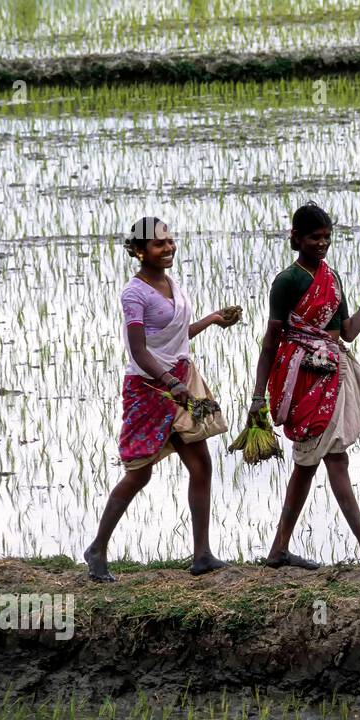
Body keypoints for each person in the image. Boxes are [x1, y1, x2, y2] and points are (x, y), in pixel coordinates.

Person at [248, 203, 360, 569]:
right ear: (296, 238)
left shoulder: (331, 278)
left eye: (327, 237)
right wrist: (258, 395)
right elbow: (271, 341)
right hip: (305, 377)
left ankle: (278, 551)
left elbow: (347, 331)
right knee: (333, 457)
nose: (322, 243)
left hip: (332, 371)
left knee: (308, 466)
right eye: (314, 237)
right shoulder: (287, 281)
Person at [83, 217, 239, 582]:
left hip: (181, 382)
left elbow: (176, 334)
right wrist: (168, 381)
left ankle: (202, 555)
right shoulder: (133, 293)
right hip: (150, 389)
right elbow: (138, 350)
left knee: (201, 464)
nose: (168, 248)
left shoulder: (171, 282)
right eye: (158, 244)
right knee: (139, 474)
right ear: (139, 251)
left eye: (170, 241)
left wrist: (212, 320)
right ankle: (97, 548)